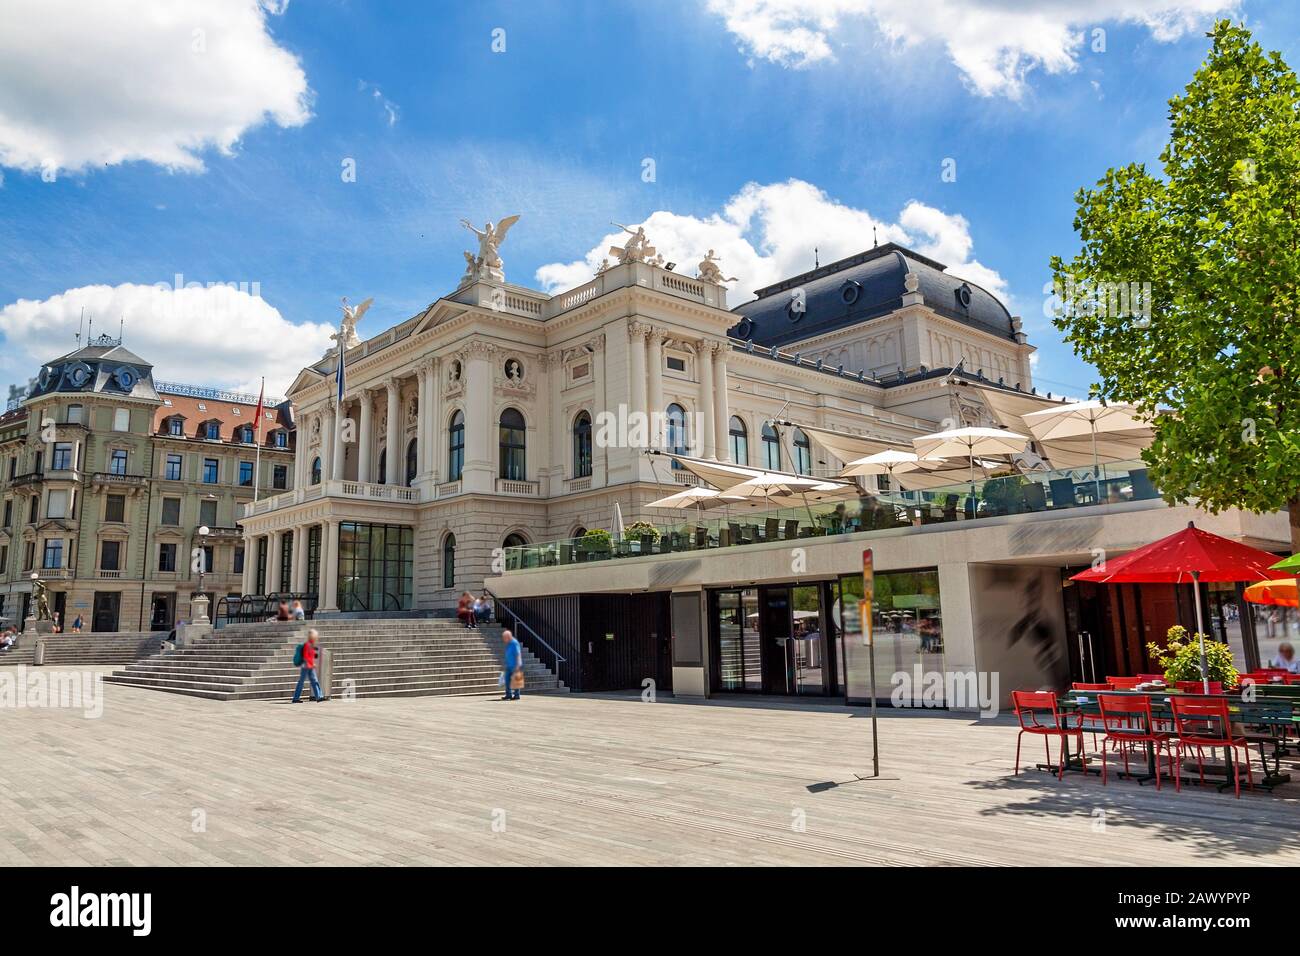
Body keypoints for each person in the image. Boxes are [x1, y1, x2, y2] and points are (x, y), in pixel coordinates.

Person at [291, 628, 324, 703]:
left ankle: (319, 697)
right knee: (303, 682)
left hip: (309, 666)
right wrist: (312, 663)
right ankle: (296, 698)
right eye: (315, 636)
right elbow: (306, 656)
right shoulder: (307, 645)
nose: (316, 638)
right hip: (306, 666)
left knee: (314, 681)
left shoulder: (311, 644)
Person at [500, 628, 523, 700]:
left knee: (516, 680)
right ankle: (508, 695)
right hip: (509, 665)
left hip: (515, 665)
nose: (504, 640)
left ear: (508, 637)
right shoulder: (509, 643)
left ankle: (517, 695)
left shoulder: (514, 643)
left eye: (504, 638)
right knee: (507, 680)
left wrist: (518, 665)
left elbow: (518, 654)